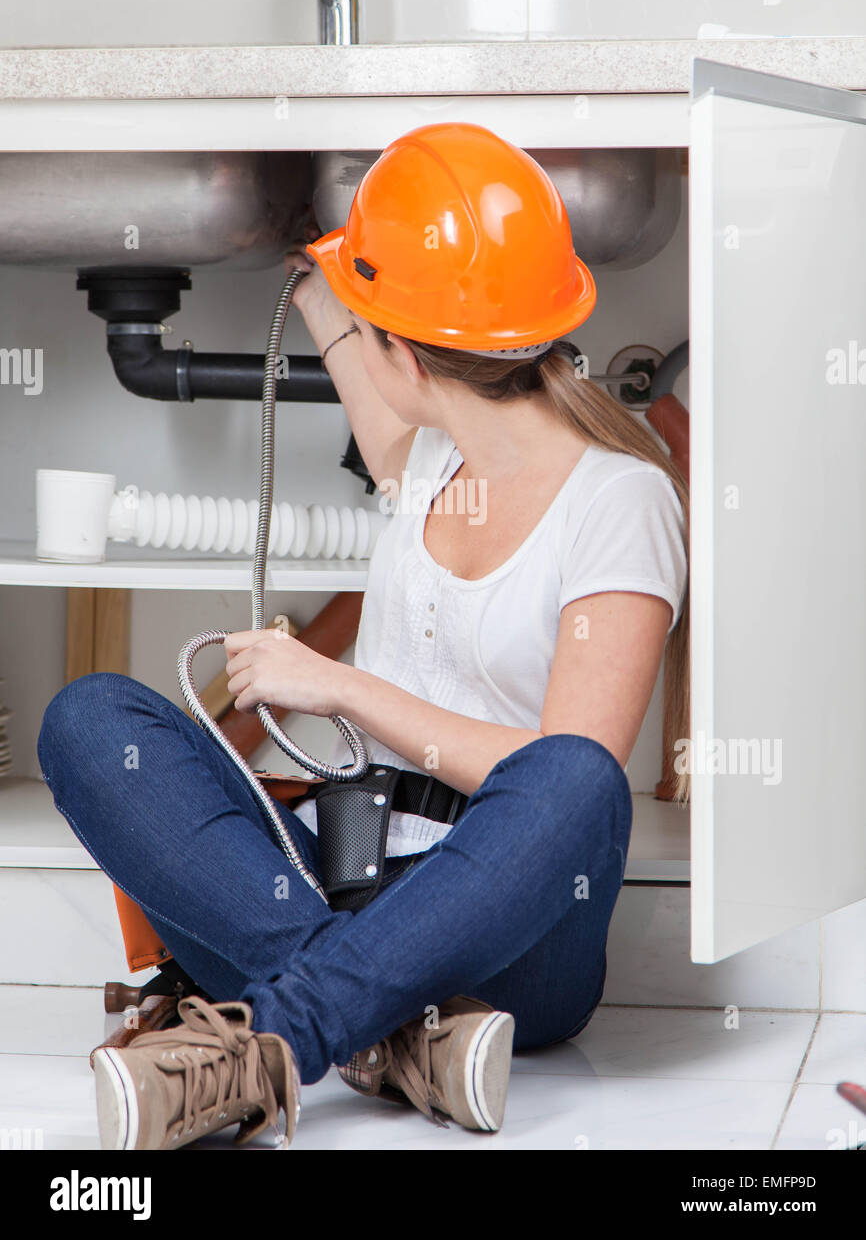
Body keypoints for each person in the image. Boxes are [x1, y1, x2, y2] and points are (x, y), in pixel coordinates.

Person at [37, 123, 688, 1150]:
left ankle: (283, 1035)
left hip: (510, 937)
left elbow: (570, 784)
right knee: (86, 719)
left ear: (408, 358)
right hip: (340, 878)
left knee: (573, 778)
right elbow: (381, 384)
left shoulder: (621, 501)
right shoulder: (428, 455)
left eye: (368, 325)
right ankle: (398, 1038)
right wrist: (319, 280)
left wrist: (337, 686)